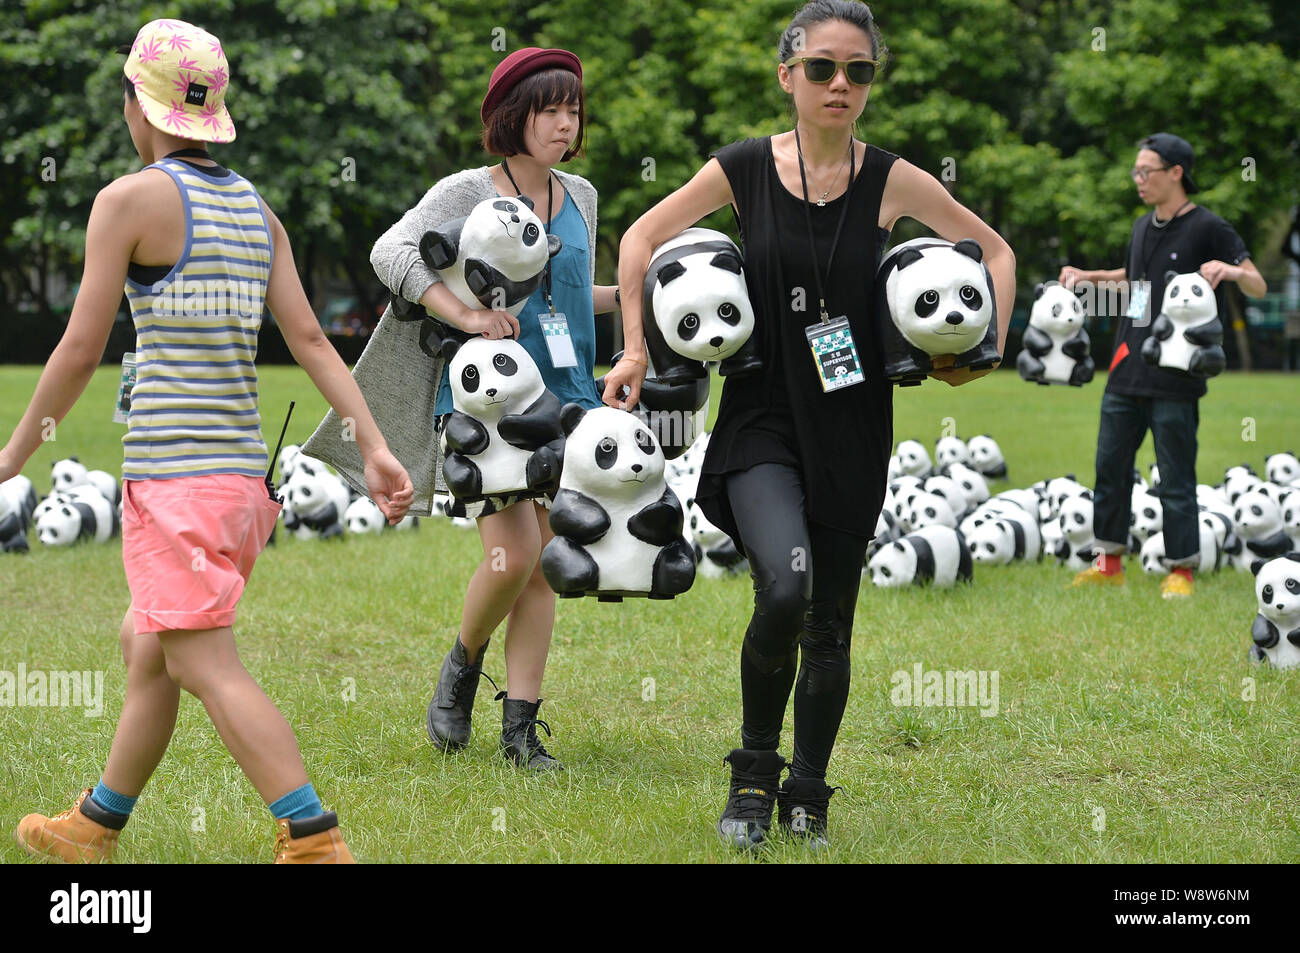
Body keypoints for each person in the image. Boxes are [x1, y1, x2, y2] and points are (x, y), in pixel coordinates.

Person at [1, 19, 414, 864]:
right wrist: (371, 443)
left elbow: (81, 349)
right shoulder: (256, 211)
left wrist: (8, 459)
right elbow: (308, 340)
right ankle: (97, 824)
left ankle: (312, 835)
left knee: (207, 663)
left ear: (137, 108)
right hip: (238, 488)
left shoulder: (127, 201)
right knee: (147, 646)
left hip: (177, 483)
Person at [606, 0, 1015, 849]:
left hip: (855, 427)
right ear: (787, 74)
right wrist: (638, 349)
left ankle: (809, 792)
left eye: (858, 71)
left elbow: (996, 253)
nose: (841, 85)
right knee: (784, 589)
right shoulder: (744, 169)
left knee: (831, 620)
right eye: (823, 68)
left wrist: (983, 347)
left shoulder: (894, 179)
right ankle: (752, 777)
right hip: (761, 421)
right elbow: (643, 236)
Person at [367, 48, 615, 771]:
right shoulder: (468, 189)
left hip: (567, 397)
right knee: (514, 555)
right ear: (515, 114)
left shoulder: (584, 196)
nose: (565, 123)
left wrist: (646, 291)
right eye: (550, 108)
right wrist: (462, 314)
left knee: (543, 567)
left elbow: (569, 293)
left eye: (573, 109)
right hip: (487, 399)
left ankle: (519, 729)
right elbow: (392, 251)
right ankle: (463, 663)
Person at [1060, 132, 1266, 597]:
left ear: (1176, 172)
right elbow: (1135, 285)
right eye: (1136, 171)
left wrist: (1231, 271)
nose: (1138, 179)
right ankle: (1108, 560)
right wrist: (1086, 277)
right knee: (1109, 467)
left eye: (1146, 171)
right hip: (1126, 367)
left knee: (1176, 474)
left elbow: (1257, 284)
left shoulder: (1209, 227)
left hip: (1176, 377)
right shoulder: (1140, 226)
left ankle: (1182, 569)